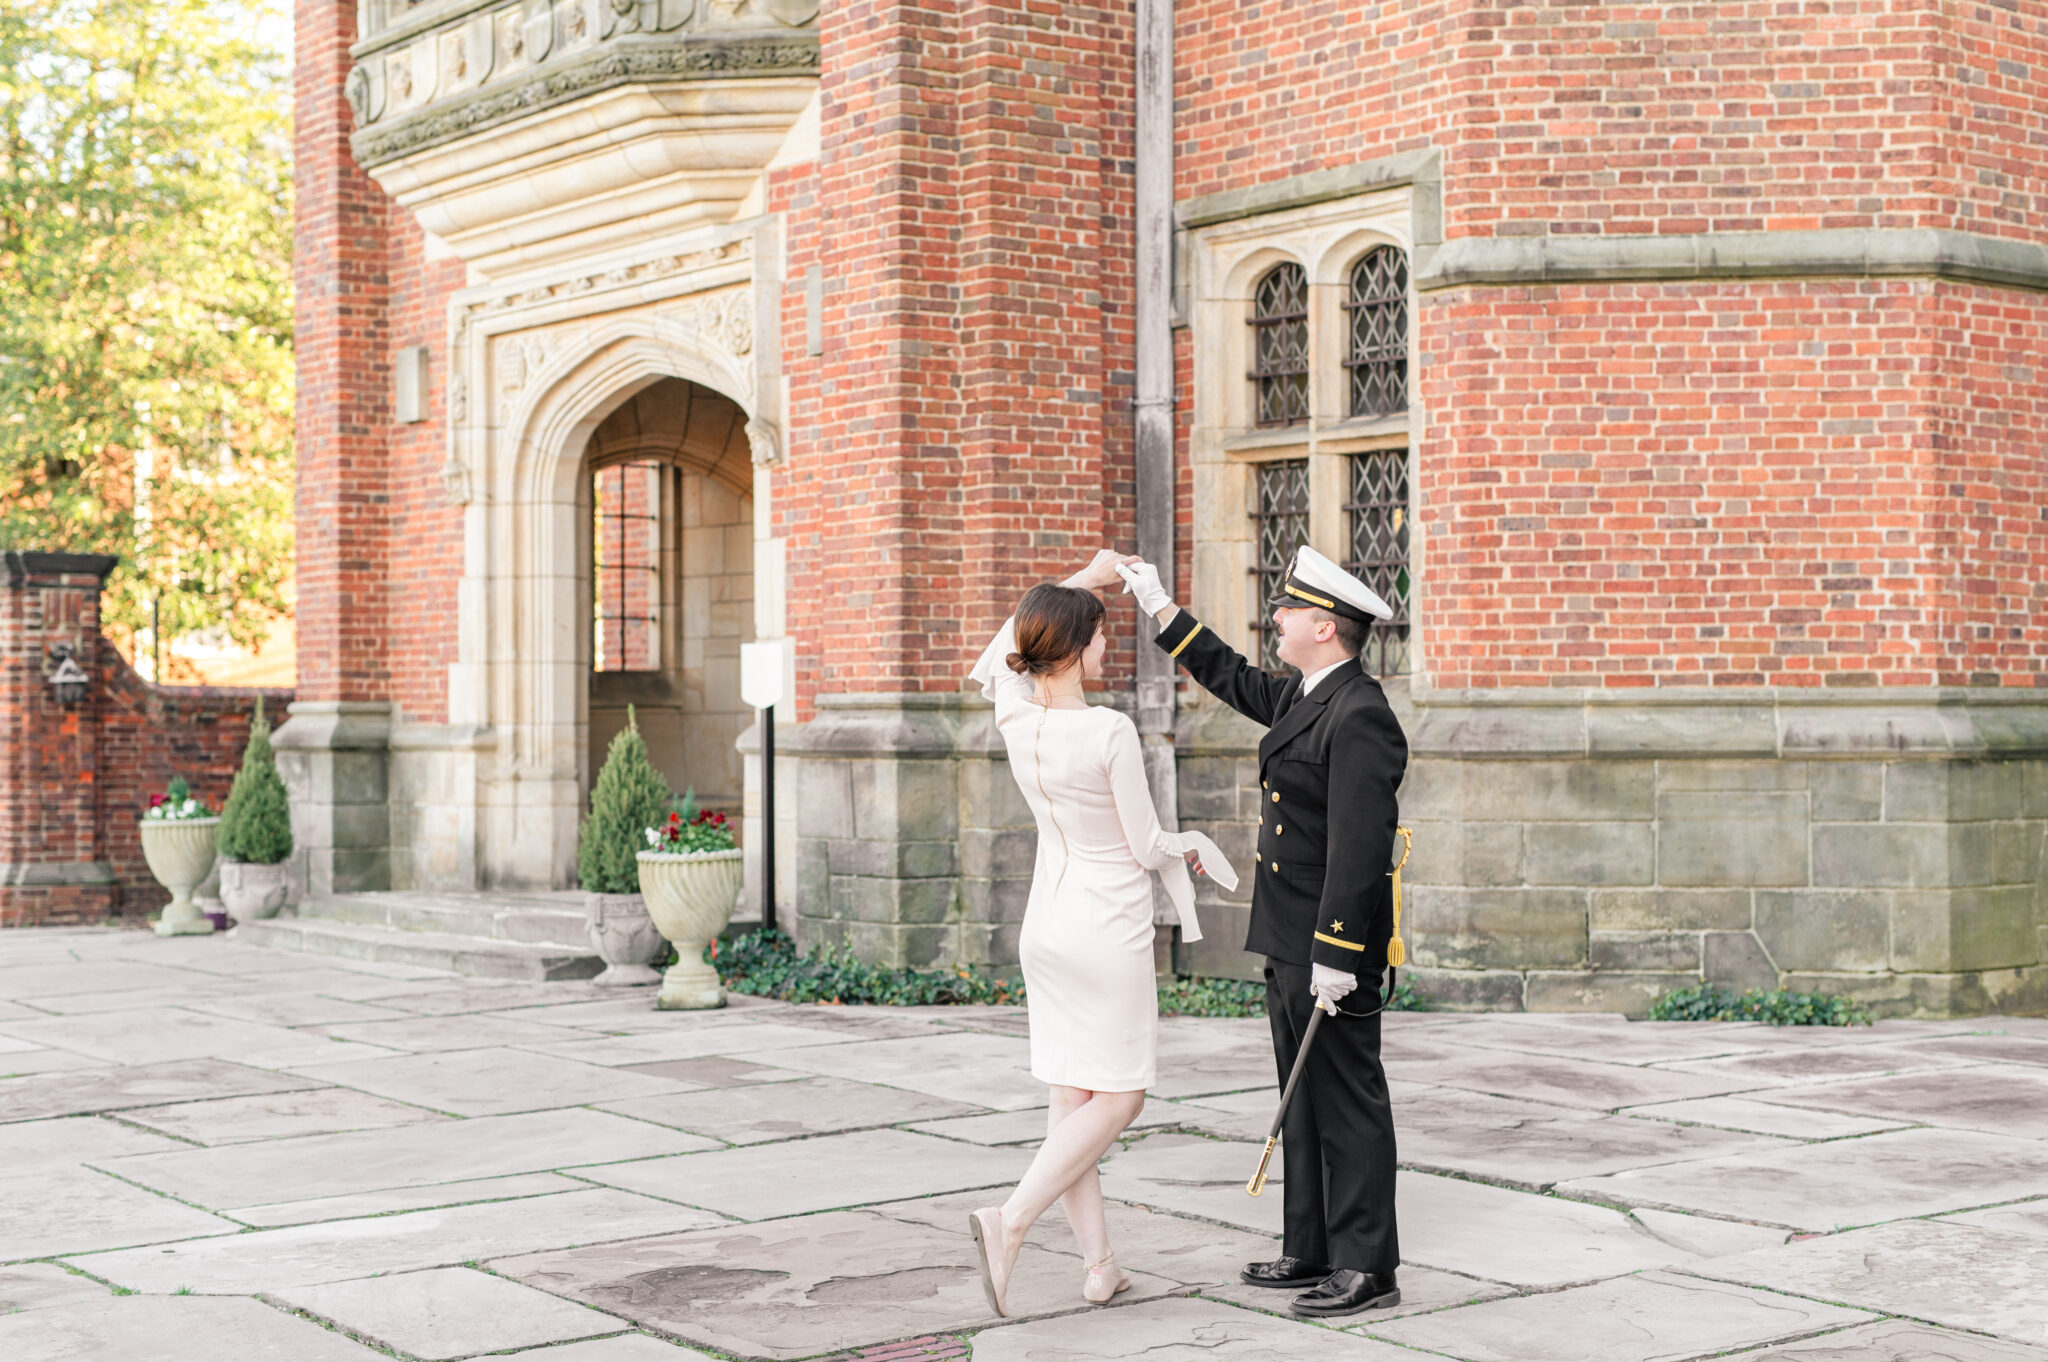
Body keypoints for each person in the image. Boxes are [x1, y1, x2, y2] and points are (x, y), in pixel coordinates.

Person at [1118, 545, 1408, 1319]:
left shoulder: (1361, 712)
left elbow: (1360, 845)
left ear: (1324, 625)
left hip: (1329, 947)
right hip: (1287, 937)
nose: (1275, 618)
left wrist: (1340, 952)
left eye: (1288, 610)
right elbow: (1234, 677)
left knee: (1347, 1100)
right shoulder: (1310, 695)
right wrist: (1162, 611)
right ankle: (1311, 1246)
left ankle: (1367, 1266)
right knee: (1302, 1096)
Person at [964, 548, 1235, 1319]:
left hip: (1046, 924)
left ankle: (1099, 1266)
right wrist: (1195, 848)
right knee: (1119, 1098)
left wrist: (1081, 579)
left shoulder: (1017, 716)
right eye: (1101, 633)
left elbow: (1001, 650)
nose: (1109, 645)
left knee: (1070, 1095)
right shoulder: (1108, 731)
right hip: (1105, 926)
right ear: (1080, 646)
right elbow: (1148, 846)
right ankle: (1009, 1221)